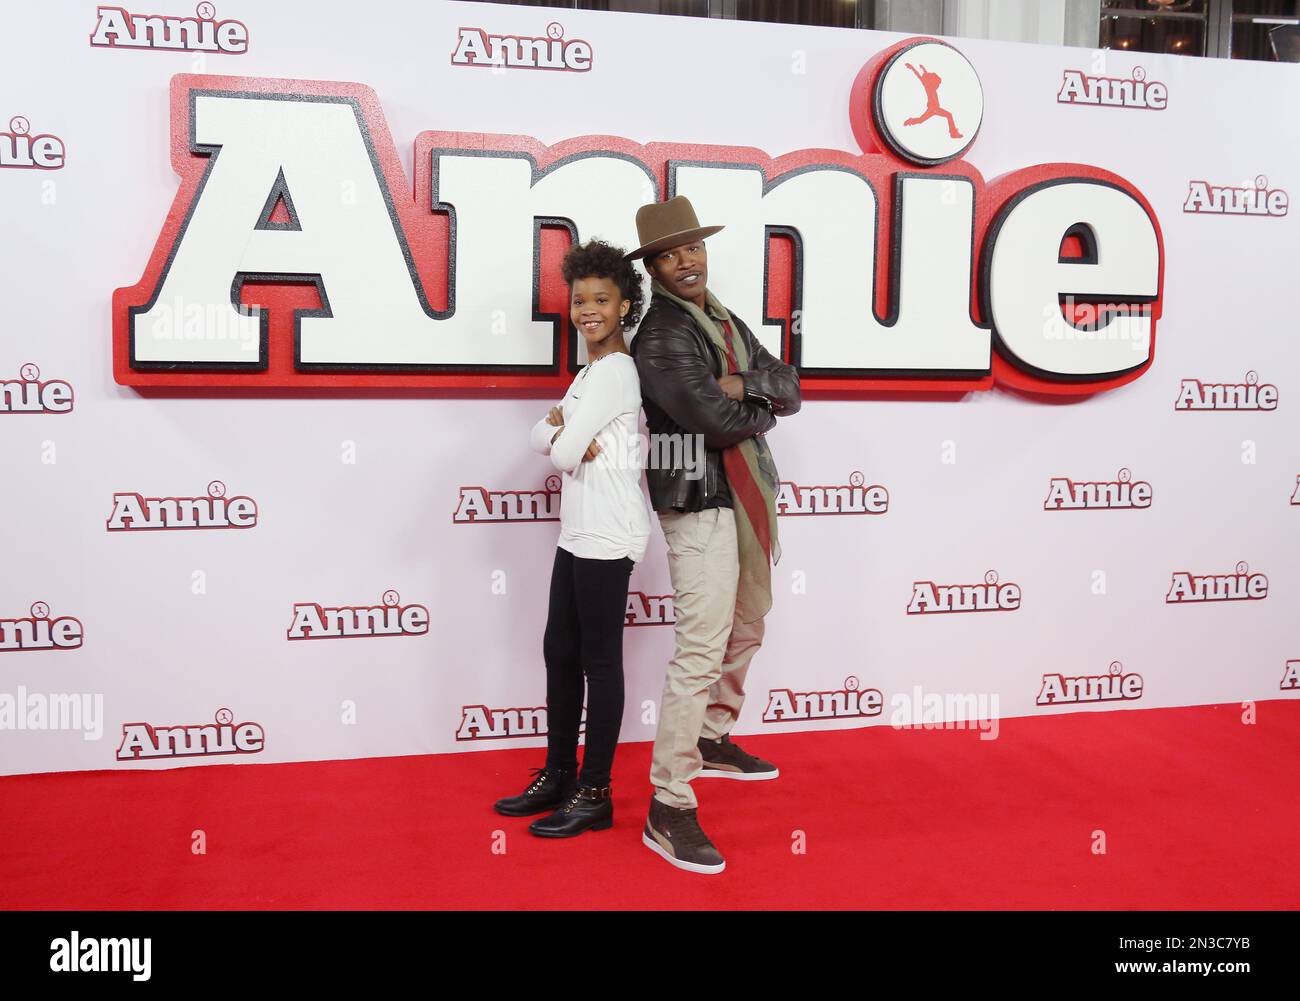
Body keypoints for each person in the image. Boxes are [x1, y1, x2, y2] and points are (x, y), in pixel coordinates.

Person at [625, 196, 801, 874]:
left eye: (692, 247)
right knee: (700, 646)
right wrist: (751, 396)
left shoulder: (722, 317)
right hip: (698, 500)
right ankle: (668, 802)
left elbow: (789, 384)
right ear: (656, 268)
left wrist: (742, 384)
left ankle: (712, 734)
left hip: (743, 494)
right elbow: (718, 424)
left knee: (749, 621)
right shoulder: (664, 335)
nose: (687, 260)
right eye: (671, 254)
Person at [493, 239, 651, 839]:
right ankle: (559, 773)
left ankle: (595, 792)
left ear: (624, 305)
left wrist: (562, 438)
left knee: (598, 660)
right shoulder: (587, 372)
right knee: (560, 651)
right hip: (576, 533)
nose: (588, 309)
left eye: (602, 299)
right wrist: (559, 435)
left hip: (610, 533)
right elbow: (544, 435)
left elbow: (557, 451)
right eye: (580, 299)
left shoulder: (614, 373)